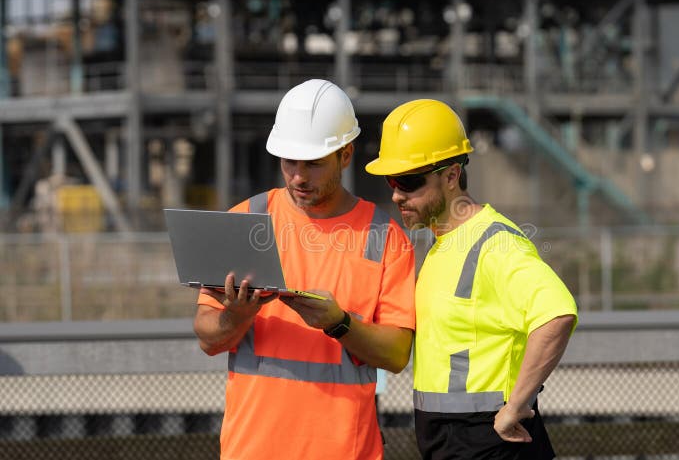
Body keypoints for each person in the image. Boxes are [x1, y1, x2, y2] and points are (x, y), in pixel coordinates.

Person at [193, 79, 416, 460]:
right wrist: (238, 316)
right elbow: (208, 338)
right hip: (253, 451)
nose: (298, 176)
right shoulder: (247, 220)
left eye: (312, 163)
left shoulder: (385, 237)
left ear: (346, 155)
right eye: (288, 161)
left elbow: (396, 355)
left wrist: (339, 322)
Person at [365, 99, 578, 460]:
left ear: (451, 175)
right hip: (457, 441)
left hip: (489, 442)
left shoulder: (495, 244)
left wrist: (515, 408)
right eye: (391, 181)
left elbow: (557, 314)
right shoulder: (442, 245)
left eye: (410, 181)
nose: (397, 194)